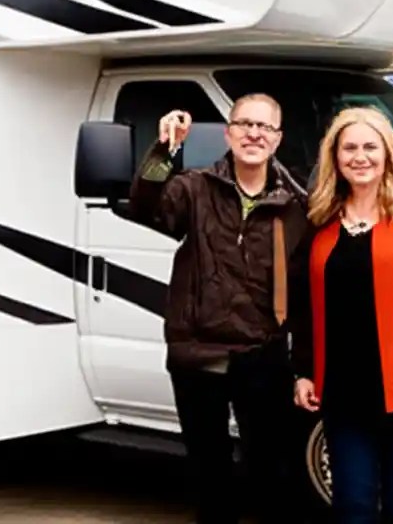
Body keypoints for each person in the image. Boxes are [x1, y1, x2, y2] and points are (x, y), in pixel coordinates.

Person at [127, 93, 310, 524]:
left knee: (271, 473)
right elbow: (146, 206)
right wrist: (164, 150)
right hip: (198, 353)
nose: (253, 133)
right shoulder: (194, 188)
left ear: (277, 140)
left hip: (262, 355)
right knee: (209, 472)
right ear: (227, 134)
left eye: (264, 127)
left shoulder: (295, 205)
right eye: (244, 124)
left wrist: (303, 364)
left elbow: (305, 289)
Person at [287, 106, 393, 524]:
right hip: (343, 391)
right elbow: (306, 303)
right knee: (353, 505)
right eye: (349, 148)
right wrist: (304, 371)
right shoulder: (321, 218)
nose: (359, 157)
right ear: (335, 156)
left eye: (370, 146)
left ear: (388, 153)